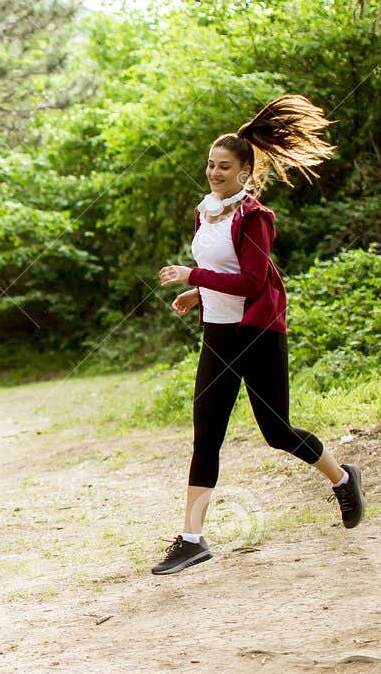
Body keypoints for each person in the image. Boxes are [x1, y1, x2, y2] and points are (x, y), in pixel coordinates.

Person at [153, 95, 366, 575]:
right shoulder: (204, 210)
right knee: (206, 434)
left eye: (223, 167)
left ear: (245, 172)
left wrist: (193, 279)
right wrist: (197, 297)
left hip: (259, 333)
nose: (213, 173)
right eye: (210, 165)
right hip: (219, 334)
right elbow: (215, 269)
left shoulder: (255, 218)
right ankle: (192, 539)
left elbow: (251, 281)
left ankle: (341, 477)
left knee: (277, 432)